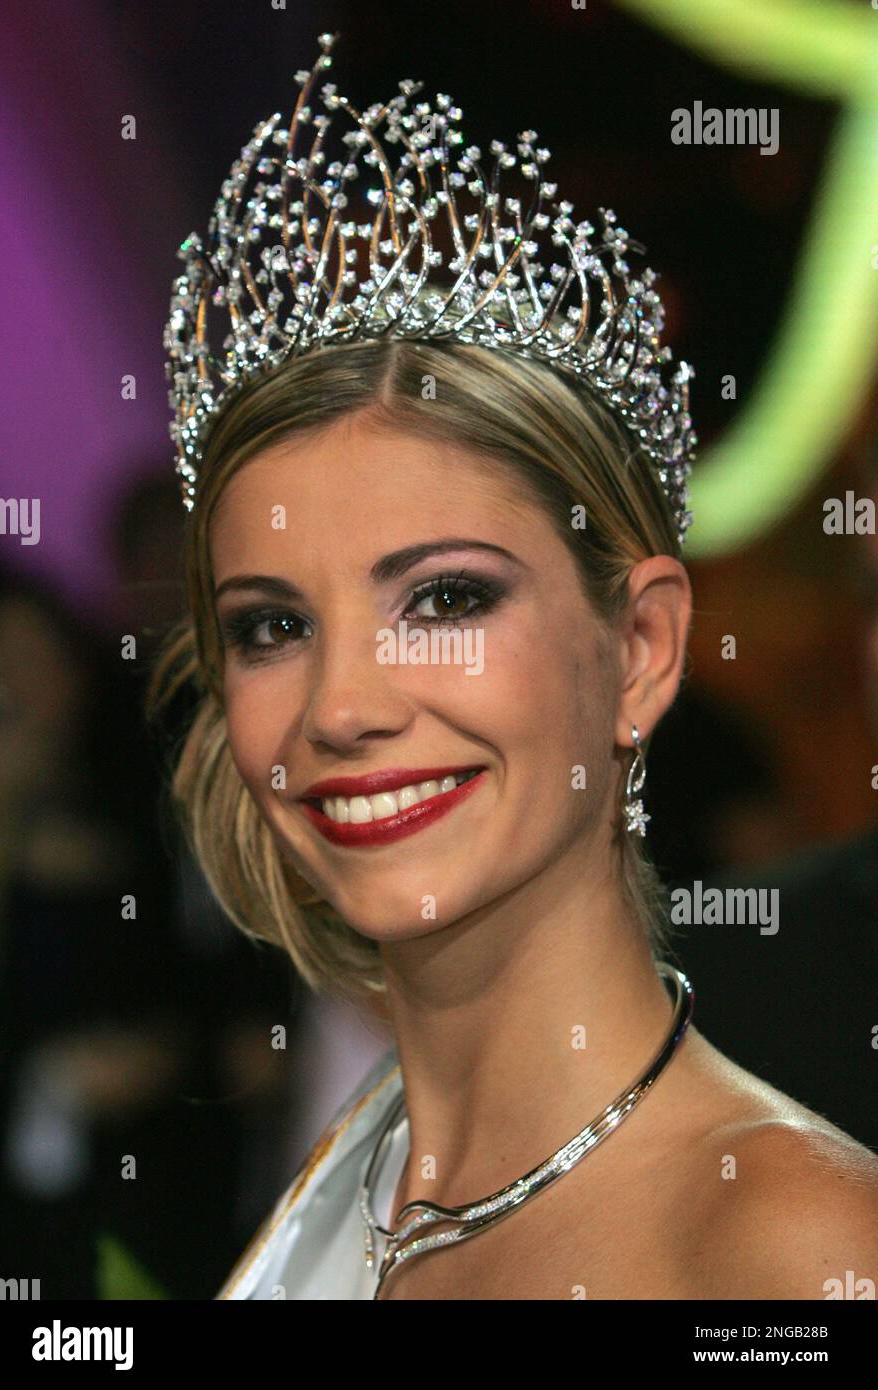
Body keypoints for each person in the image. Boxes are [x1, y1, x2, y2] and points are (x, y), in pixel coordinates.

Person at [148, 31, 878, 1300]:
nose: (342, 706)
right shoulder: (345, 1193)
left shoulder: (785, 1249)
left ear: (640, 649)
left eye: (443, 596)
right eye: (273, 625)